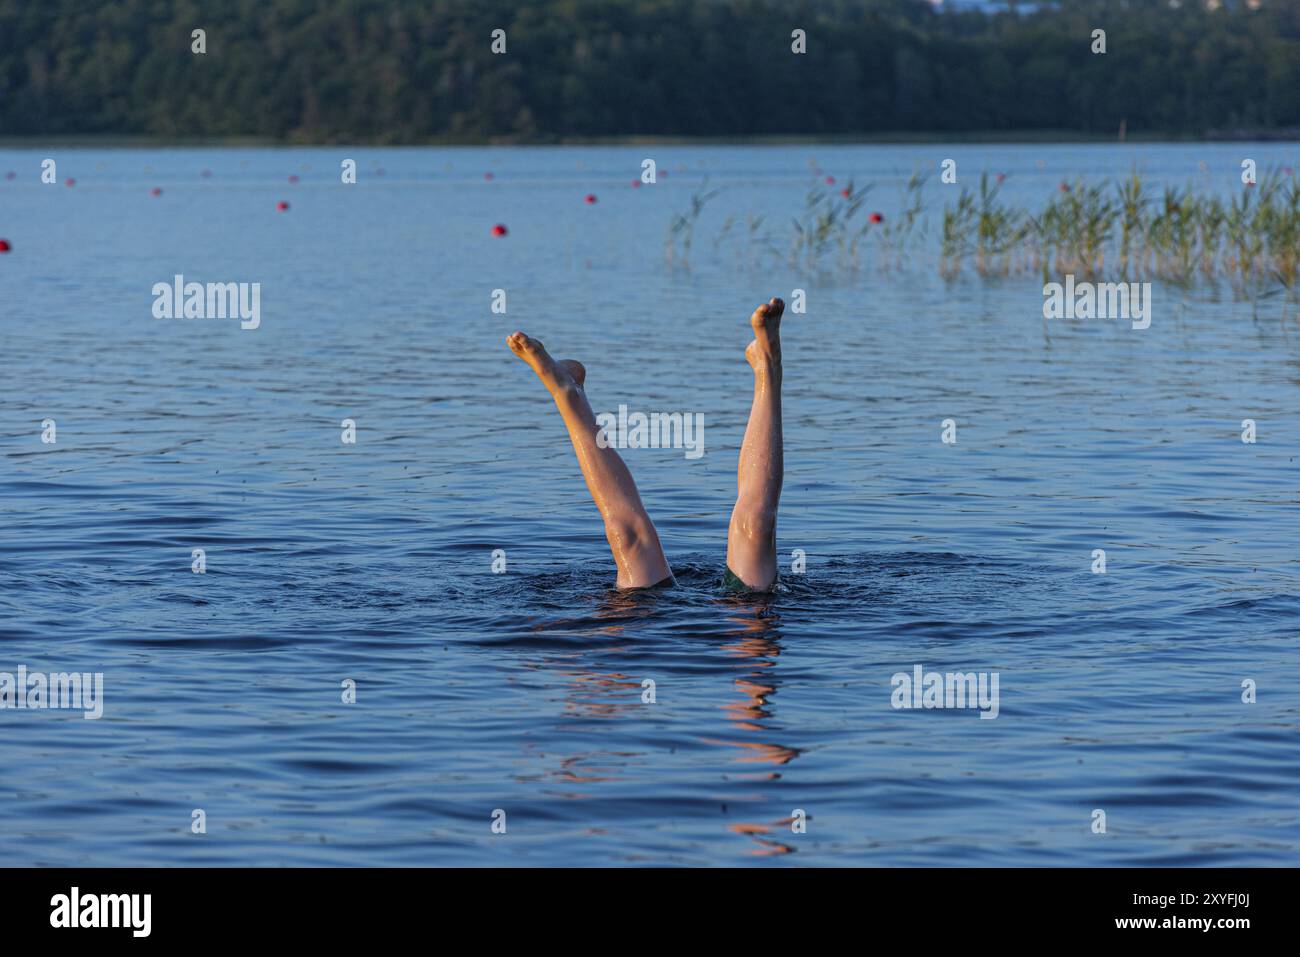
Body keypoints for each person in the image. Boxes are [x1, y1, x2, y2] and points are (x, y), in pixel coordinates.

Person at [507, 297, 785, 593]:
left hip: (671, 618)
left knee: (627, 536)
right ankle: (568, 388)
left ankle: (568, 393)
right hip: (739, 609)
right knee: (755, 525)